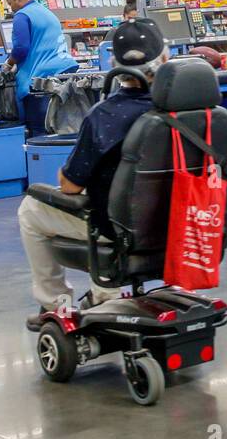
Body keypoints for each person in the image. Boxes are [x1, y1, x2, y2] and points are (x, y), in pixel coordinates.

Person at [17, 19, 168, 311]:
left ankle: (54, 304)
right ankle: (103, 292)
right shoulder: (193, 109)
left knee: (31, 210)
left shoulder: (105, 116)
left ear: (113, 63)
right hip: (179, 218)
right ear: (165, 58)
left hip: (122, 227)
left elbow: (70, 185)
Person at [3, 0, 78, 117]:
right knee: (58, 124)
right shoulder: (46, 12)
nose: (11, 8)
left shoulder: (22, 15)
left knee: (38, 128)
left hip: (41, 79)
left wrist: (9, 64)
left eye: (10, 4)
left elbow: (21, 48)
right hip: (64, 71)